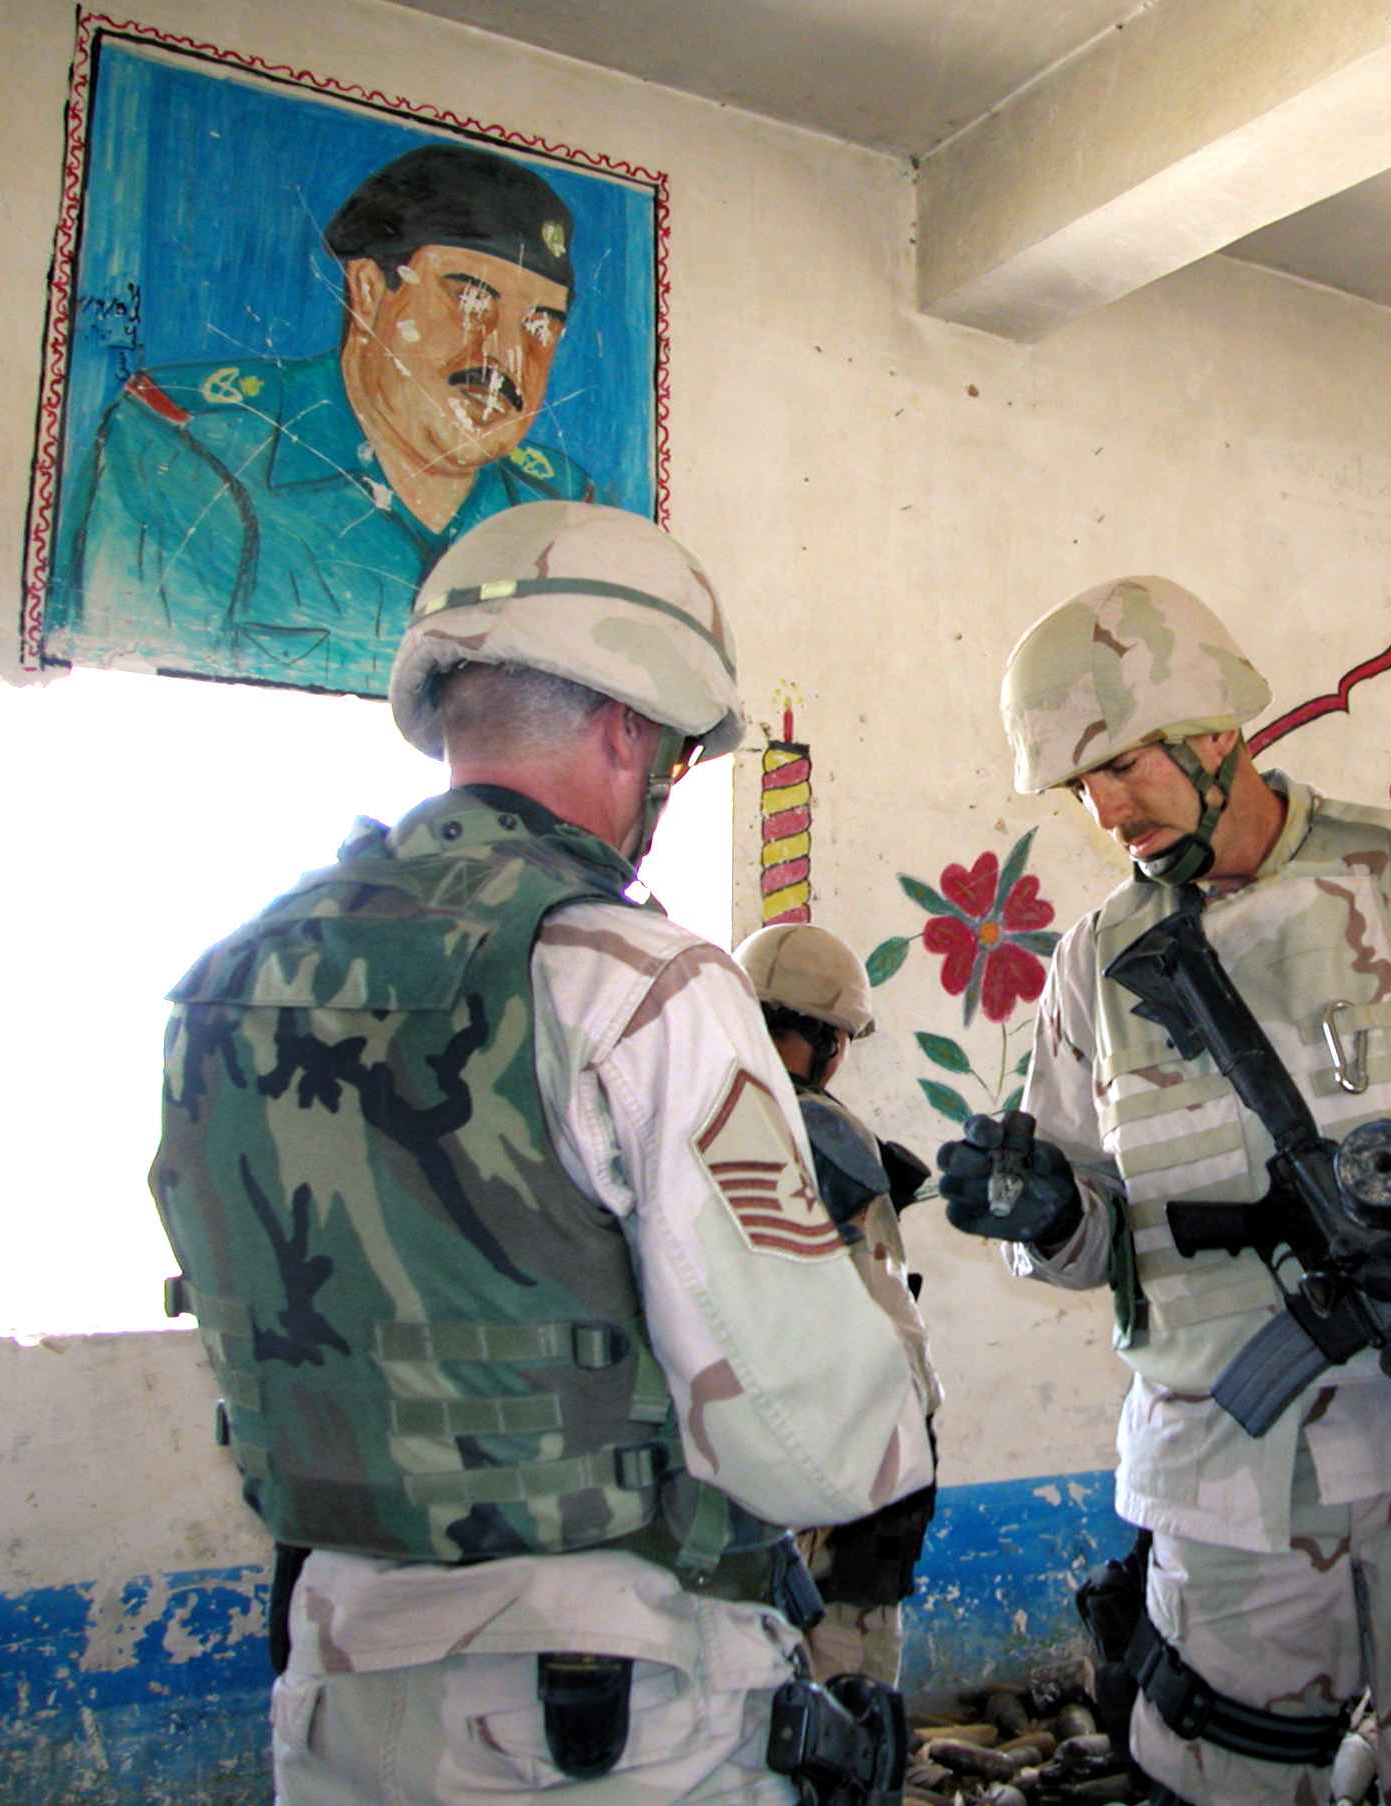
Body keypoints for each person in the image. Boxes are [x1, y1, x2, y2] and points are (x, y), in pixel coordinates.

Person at [149, 501, 933, 1804]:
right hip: (605, 1708)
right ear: (633, 726)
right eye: (676, 755)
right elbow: (809, 1439)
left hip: (338, 1681)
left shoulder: (231, 975)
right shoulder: (633, 973)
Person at [939, 575, 1391, 1806]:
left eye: (1126, 764)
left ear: (1219, 732)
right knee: (1217, 1783)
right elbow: (1091, 1219)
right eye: (1079, 786)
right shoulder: (1096, 962)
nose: (1107, 807)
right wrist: (1044, 1217)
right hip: (1223, 1474)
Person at [54, 144, 596, 692]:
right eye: (473, 300)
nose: (506, 355)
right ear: (366, 291)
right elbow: (126, 699)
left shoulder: (557, 504)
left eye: (541, 325)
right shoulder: (194, 443)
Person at [733, 923, 944, 1687]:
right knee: (848, 1723)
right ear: (822, 1038)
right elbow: (891, 1347)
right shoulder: (820, 1134)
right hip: (837, 1496)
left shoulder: (695, 1114)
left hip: (732, 1495)